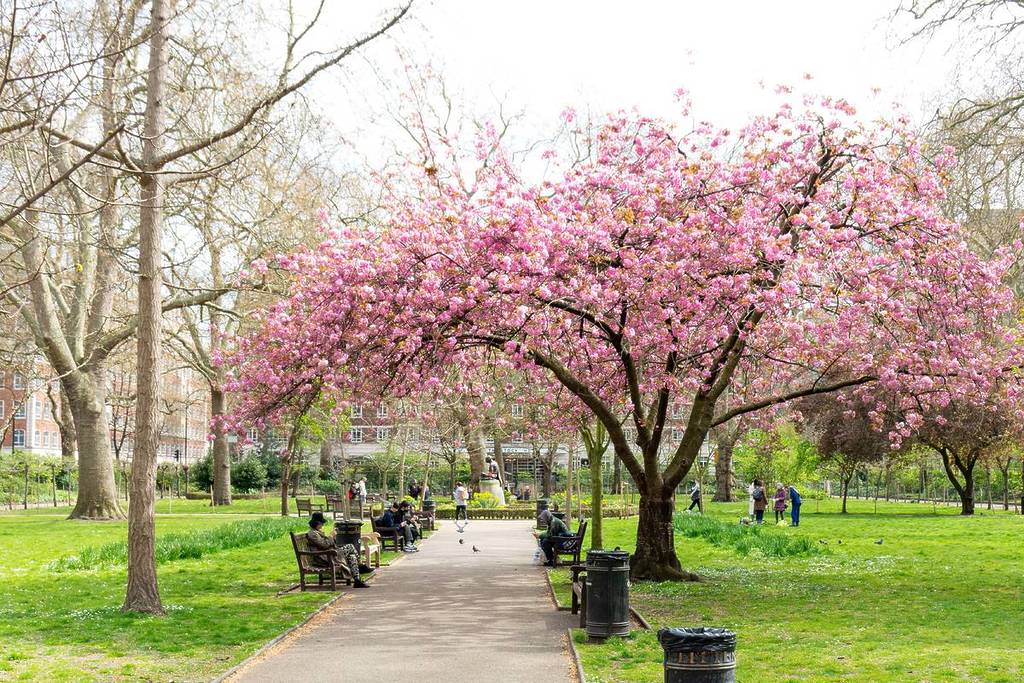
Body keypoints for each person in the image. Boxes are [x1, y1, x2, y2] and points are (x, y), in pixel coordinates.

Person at [305, 512, 369, 587]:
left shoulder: (317, 532)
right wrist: (331, 536)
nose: (322, 525)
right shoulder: (312, 534)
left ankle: (357, 581)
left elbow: (327, 544)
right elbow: (324, 545)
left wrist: (333, 538)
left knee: (352, 556)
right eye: (321, 523)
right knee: (350, 546)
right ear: (317, 523)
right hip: (326, 557)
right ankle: (360, 565)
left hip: (330, 554)